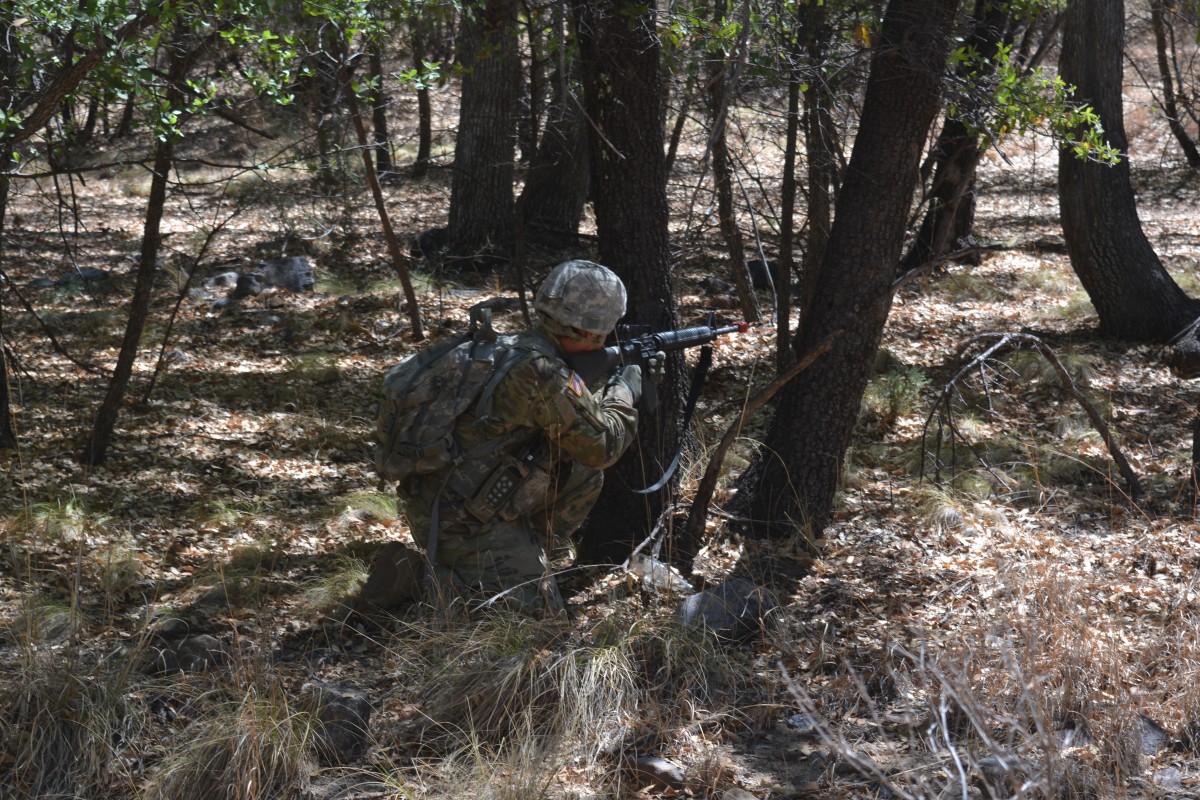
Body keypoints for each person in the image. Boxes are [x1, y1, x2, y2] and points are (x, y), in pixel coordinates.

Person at [394, 259, 644, 616]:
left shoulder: (513, 347)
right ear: (593, 334)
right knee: (538, 626)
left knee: (581, 474)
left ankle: (514, 554)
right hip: (462, 523)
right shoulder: (541, 372)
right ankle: (426, 580)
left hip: (445, 501)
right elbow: (603, 447)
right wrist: (623, 391)